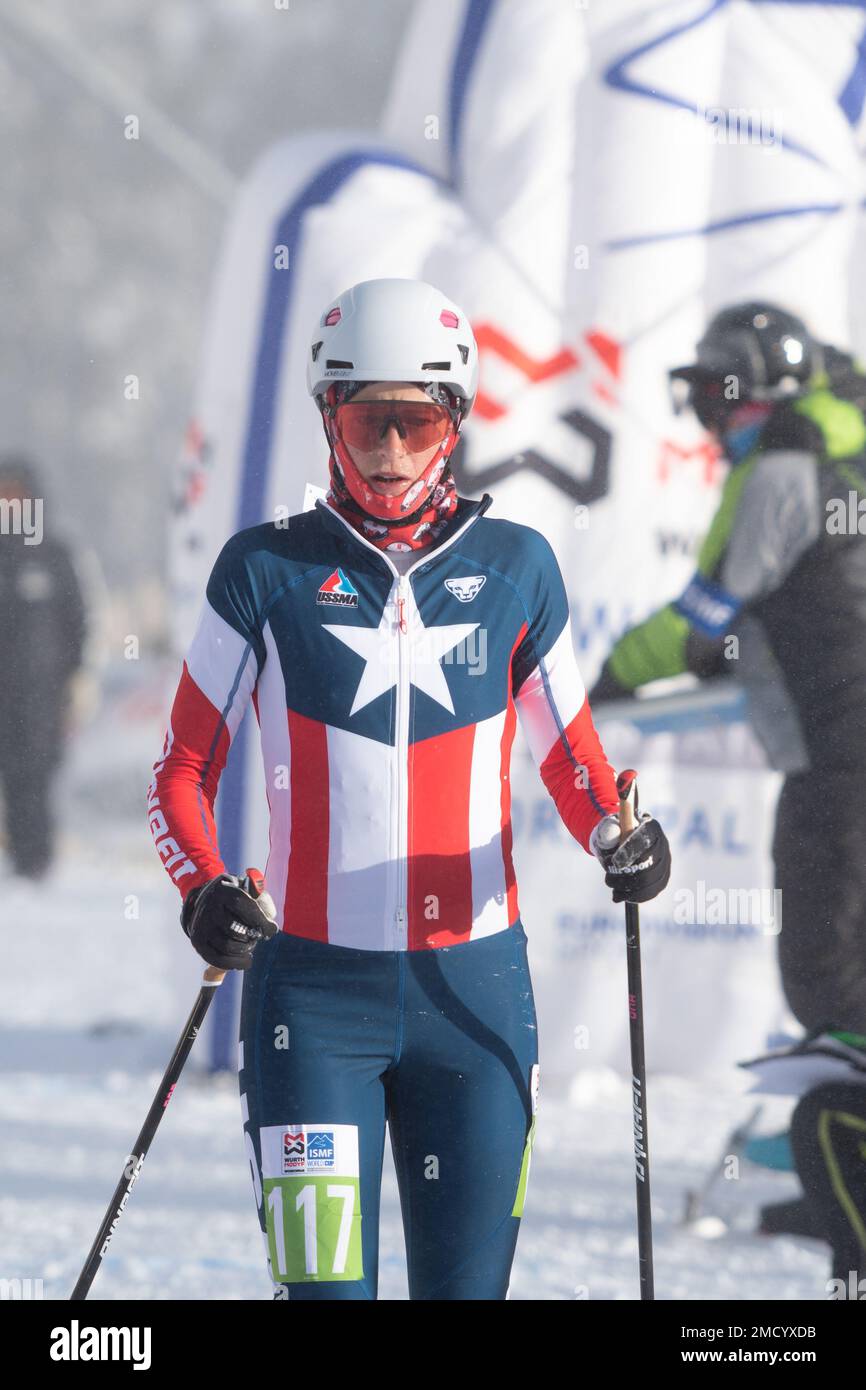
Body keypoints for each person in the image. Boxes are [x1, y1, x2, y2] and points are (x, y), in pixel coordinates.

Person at [148, 277, 671, 1300]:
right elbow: (182, 768)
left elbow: (570, 756)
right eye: (363, 419)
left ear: (455, 422)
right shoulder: (263, 567)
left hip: (469, 998)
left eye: (413, 420)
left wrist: (618, 832)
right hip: (311, 1001)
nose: (387, 448)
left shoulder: (517, 566)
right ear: (327, 419)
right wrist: (203, 886)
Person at [590, 302, 866, 1041]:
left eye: (720, 394)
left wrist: (610, 675)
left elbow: (700, 620)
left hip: (841, 761)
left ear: (756, 389)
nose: (711, 418)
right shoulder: (845, 444)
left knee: (827, 969)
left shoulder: (780, 469)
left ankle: (841, 1126)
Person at [0, 455, 87, 881]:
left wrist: (70, 681)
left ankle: (35, 864)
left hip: (40, 697)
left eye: (16, 491)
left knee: (34, 779)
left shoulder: (54, 555)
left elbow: (78, 623)